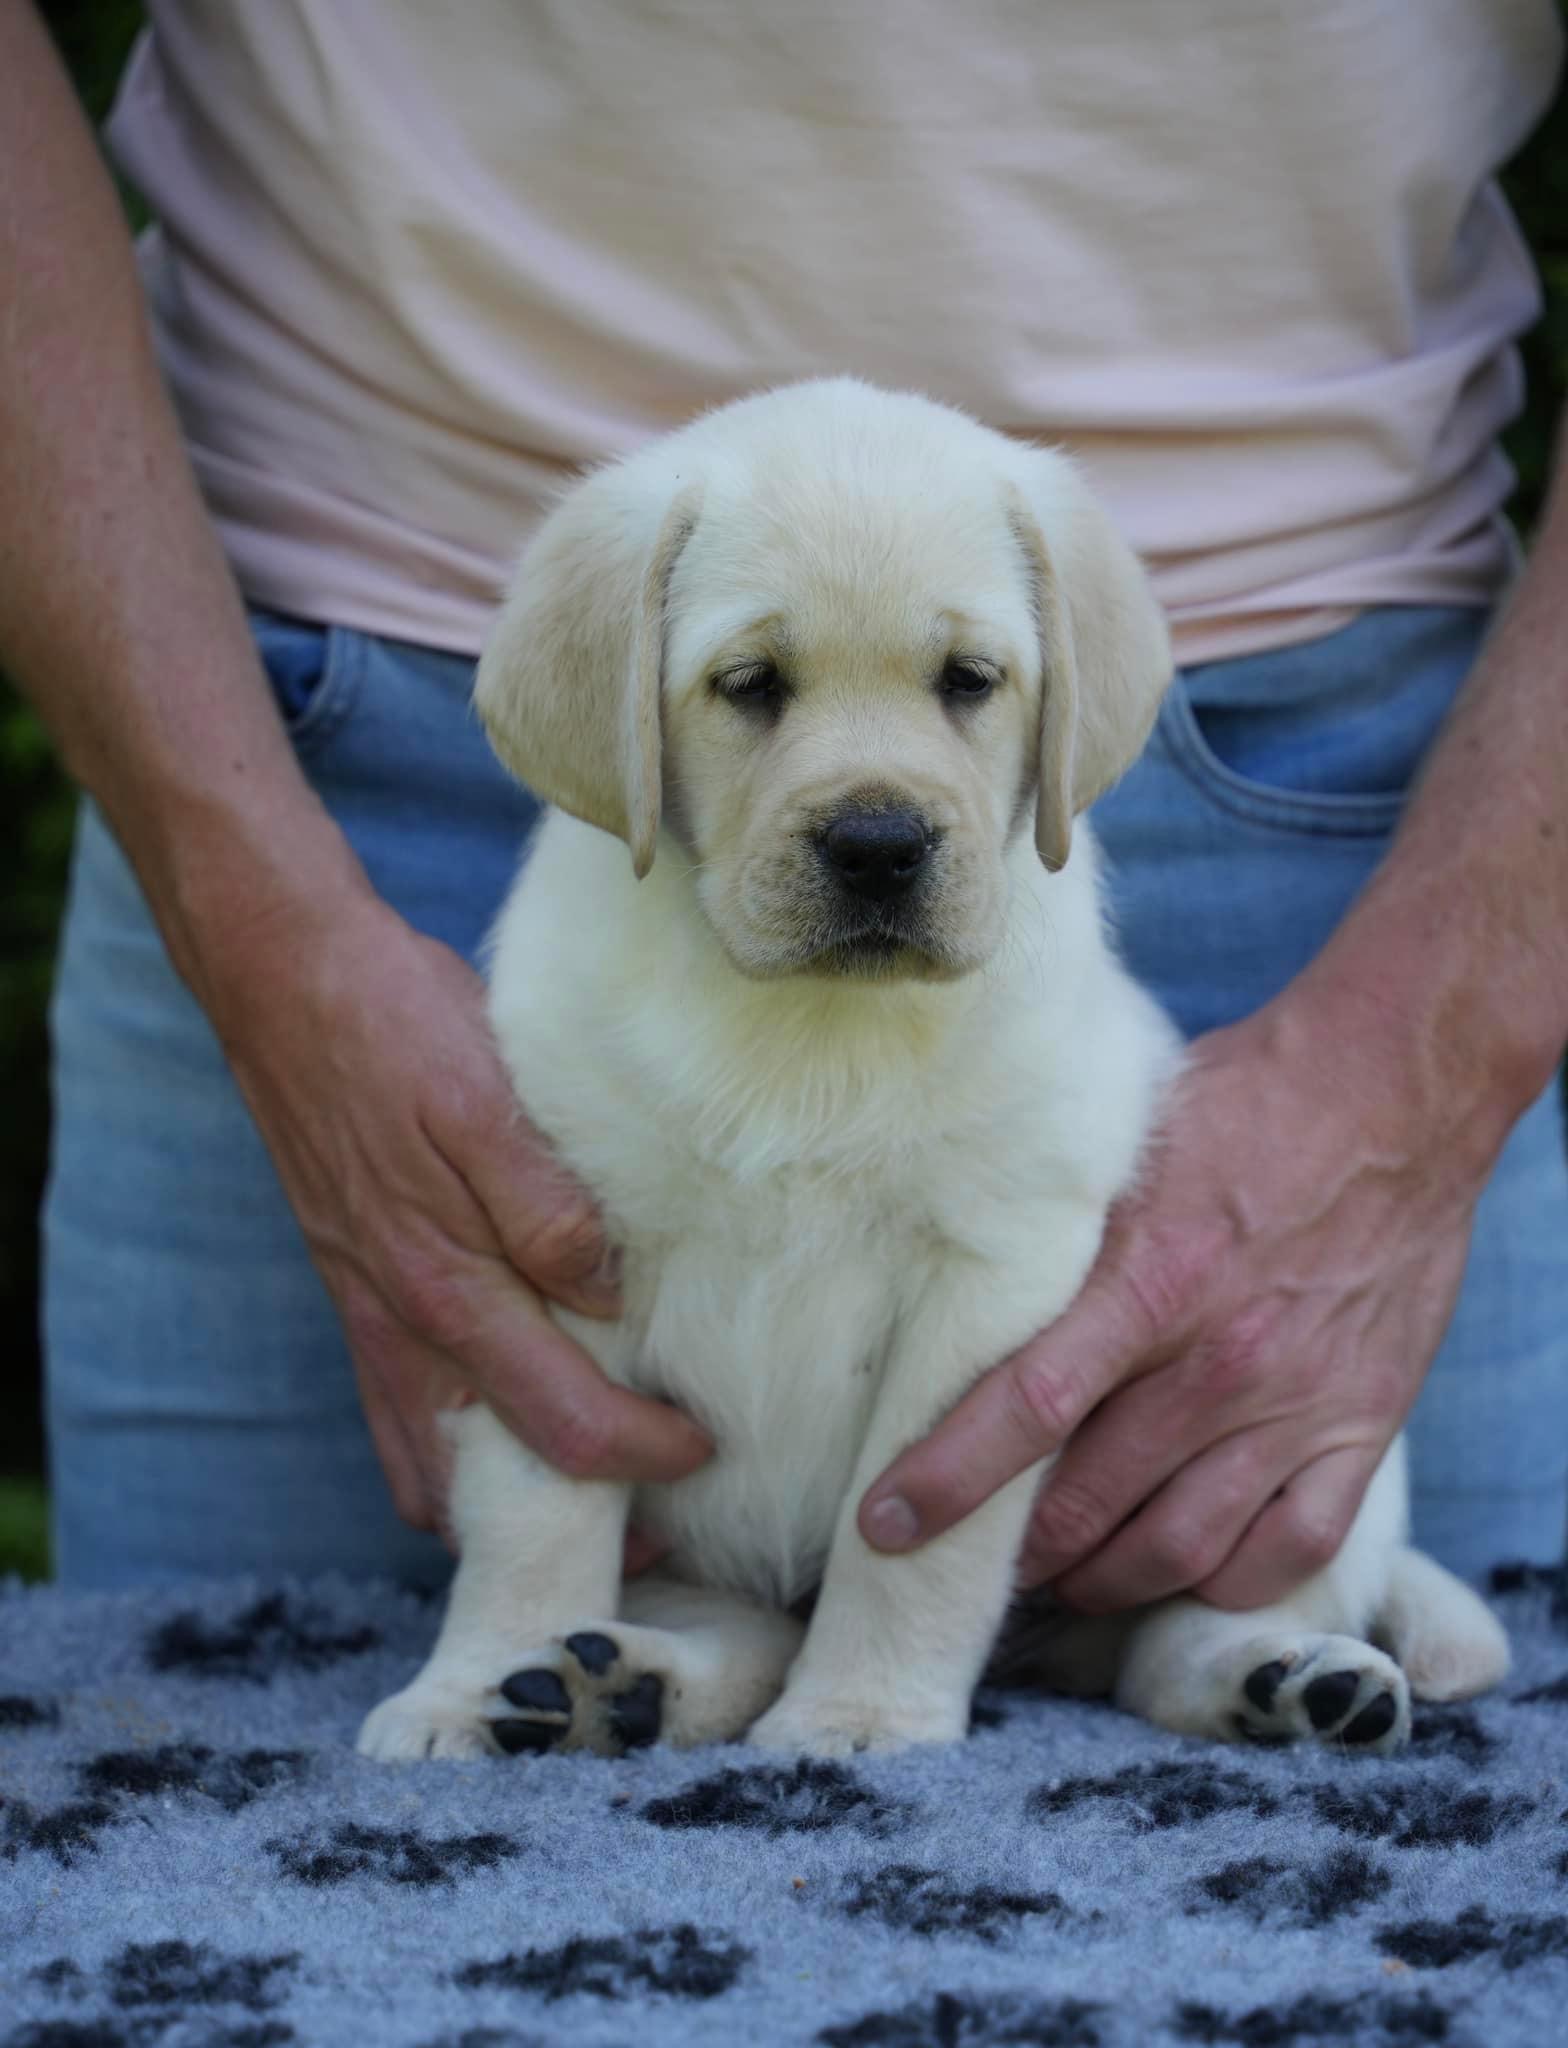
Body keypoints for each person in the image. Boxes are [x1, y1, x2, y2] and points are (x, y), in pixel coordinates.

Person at [5, 1, 1566, 1609]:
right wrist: (247, 910)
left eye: (948, 688)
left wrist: (1427, 1062)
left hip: (1374, 841)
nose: (872, 814)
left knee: (1339, 1712)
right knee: (266, 1771)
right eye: (765, 690)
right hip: (289, 777)